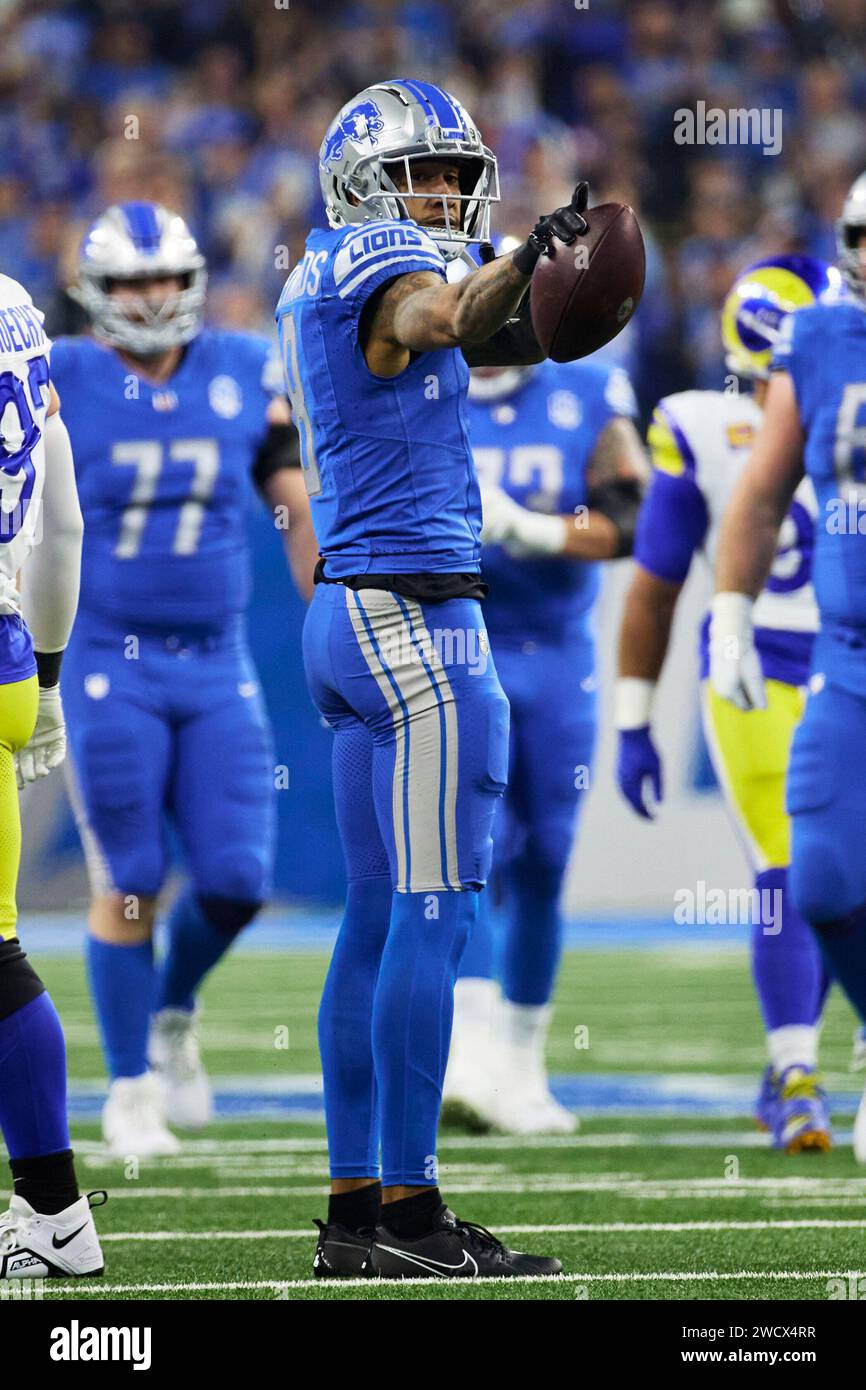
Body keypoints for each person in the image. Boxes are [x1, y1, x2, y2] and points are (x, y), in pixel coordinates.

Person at [277, 79, 607, 1278]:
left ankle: (358, 1209)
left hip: (351, 617)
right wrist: (525, 254)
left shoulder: (322, 268)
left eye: (456, 172)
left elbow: (476, 320)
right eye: (425, 172)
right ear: (367, 180)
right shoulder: (379, 265)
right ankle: (412, 1215)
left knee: (375, 917)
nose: (448, 192)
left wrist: (531, 276)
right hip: (414, 624)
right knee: (434, 908)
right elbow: (436, 317)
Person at [54, 201, 318, 1158]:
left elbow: (292, 499)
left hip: (216, 658)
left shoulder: (245, 366)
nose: (152, 297)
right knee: (127, 879)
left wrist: (332, 601)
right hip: (104, 658)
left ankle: (170, 1013)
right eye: (131, 282)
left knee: (239, 880)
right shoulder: (61, 376)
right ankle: (127, 1088)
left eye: (165, 277)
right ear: (97, 292)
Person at [618, 255, 838, 1152]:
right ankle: (795, 1072)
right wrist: (634, 718)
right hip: (753, 666)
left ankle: (790, 1062)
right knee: (791, 863)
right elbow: (657, 584)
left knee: (836, 876)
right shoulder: (702, 426)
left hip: (847, 665)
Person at [443, 341, 646, 1135]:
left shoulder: (588, 392)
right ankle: (468, 1050)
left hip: (556, 652)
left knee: (545, 855)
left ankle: (523, 1065)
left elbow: (632, 515)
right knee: (461, 855)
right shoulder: (420, 388)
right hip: (458, 642)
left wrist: (538, 530)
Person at [711, 178, 866, 1162]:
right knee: (819, 876)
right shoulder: (816, 339)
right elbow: (763, 490)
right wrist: (728, 610)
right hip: (846, 660)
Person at [0, 271, 105, 1278]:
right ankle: (52, 1217)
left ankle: (57, 1215)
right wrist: (53, 678)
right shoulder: (16, 306)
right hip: (10, 659)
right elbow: (61, 519)